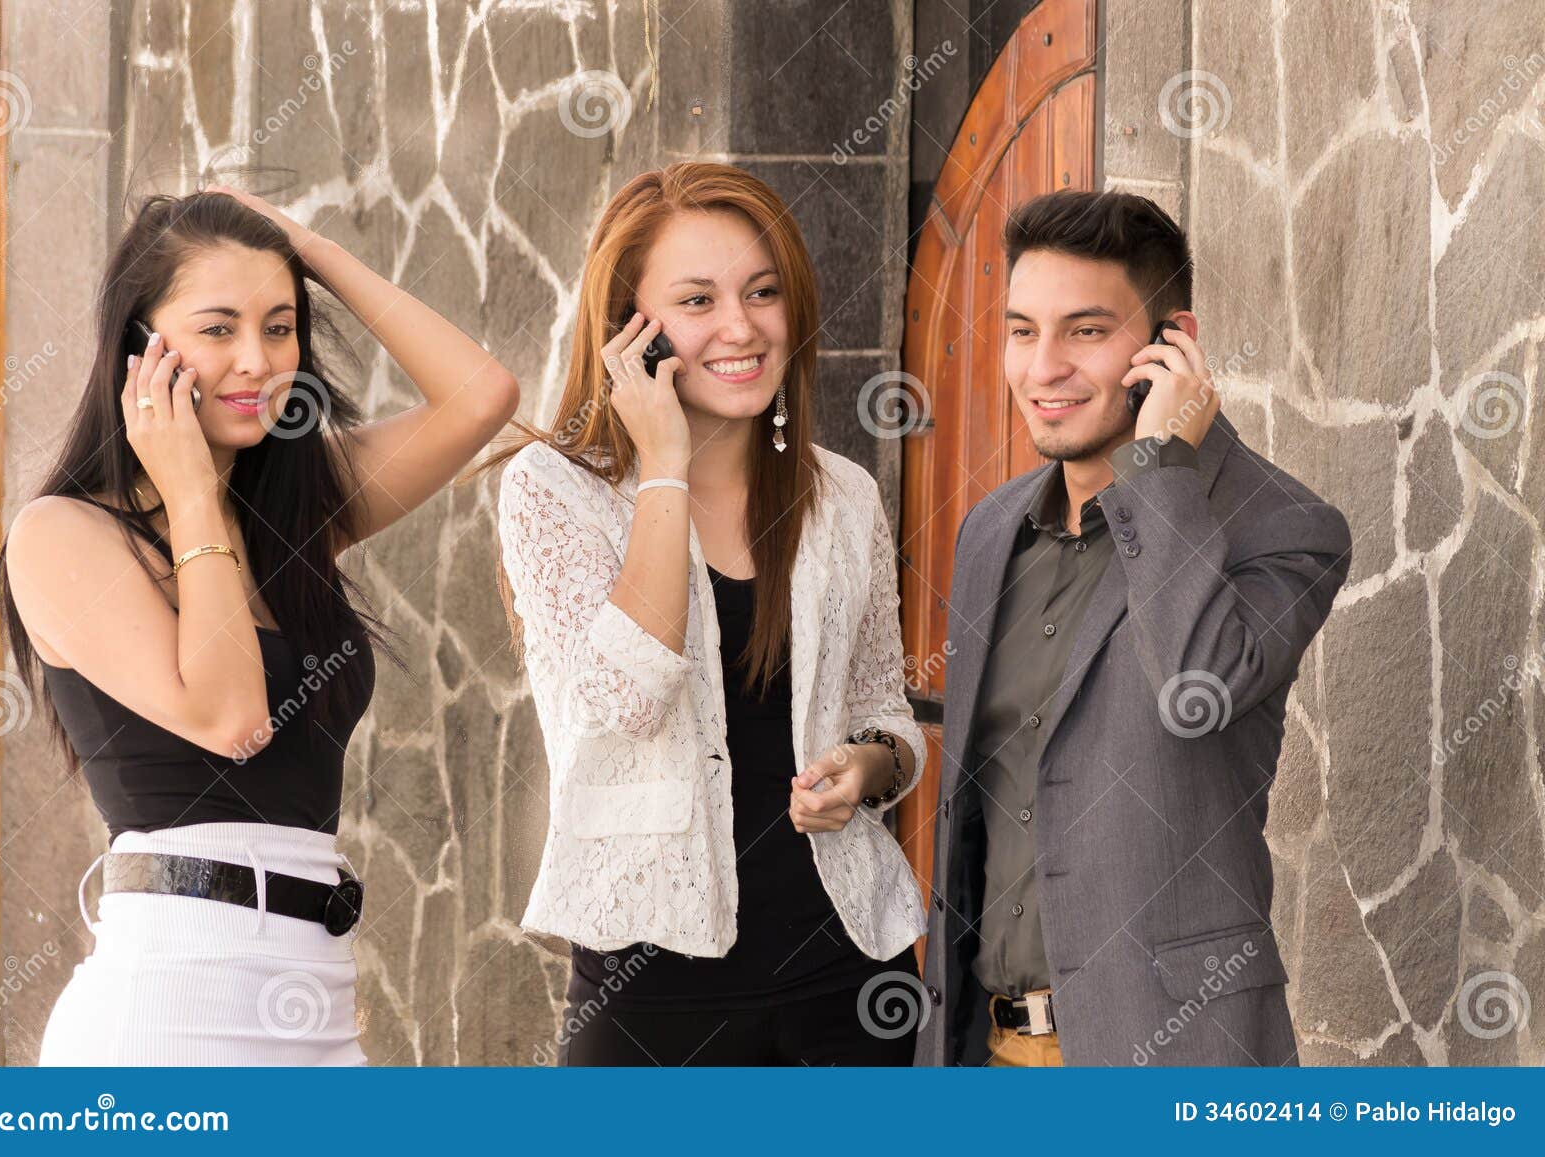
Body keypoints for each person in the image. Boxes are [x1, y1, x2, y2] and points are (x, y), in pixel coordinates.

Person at [0, 184, 519, 1065]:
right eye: (217, 328)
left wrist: (308, 248)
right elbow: (231, 716)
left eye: (279, 327)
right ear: (141, 348)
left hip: (317, 1001)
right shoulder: (62, 535)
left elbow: (481, 396)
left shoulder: (293, 509)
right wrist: (193, 489)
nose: (257, 359)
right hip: (169, 1008)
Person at [476, 162, 927, 1065]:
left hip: (848, 978)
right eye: (697, 299)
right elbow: (624, 702)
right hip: (654, 996)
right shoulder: (554, 492)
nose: (741, 325)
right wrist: (666, 466)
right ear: (629, 330)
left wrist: (866, 767)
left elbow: (888, 712)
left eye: (763, 291)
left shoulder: (843, 498)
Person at [916, 189, 1352, 1067]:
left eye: (1084, 331)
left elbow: (1201, 686)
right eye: (1022, 330)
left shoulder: (1285, 528)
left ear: (1170, 343)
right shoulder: (991, 530)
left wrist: (1161, 468)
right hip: (987, 1055)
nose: (1043, 369)